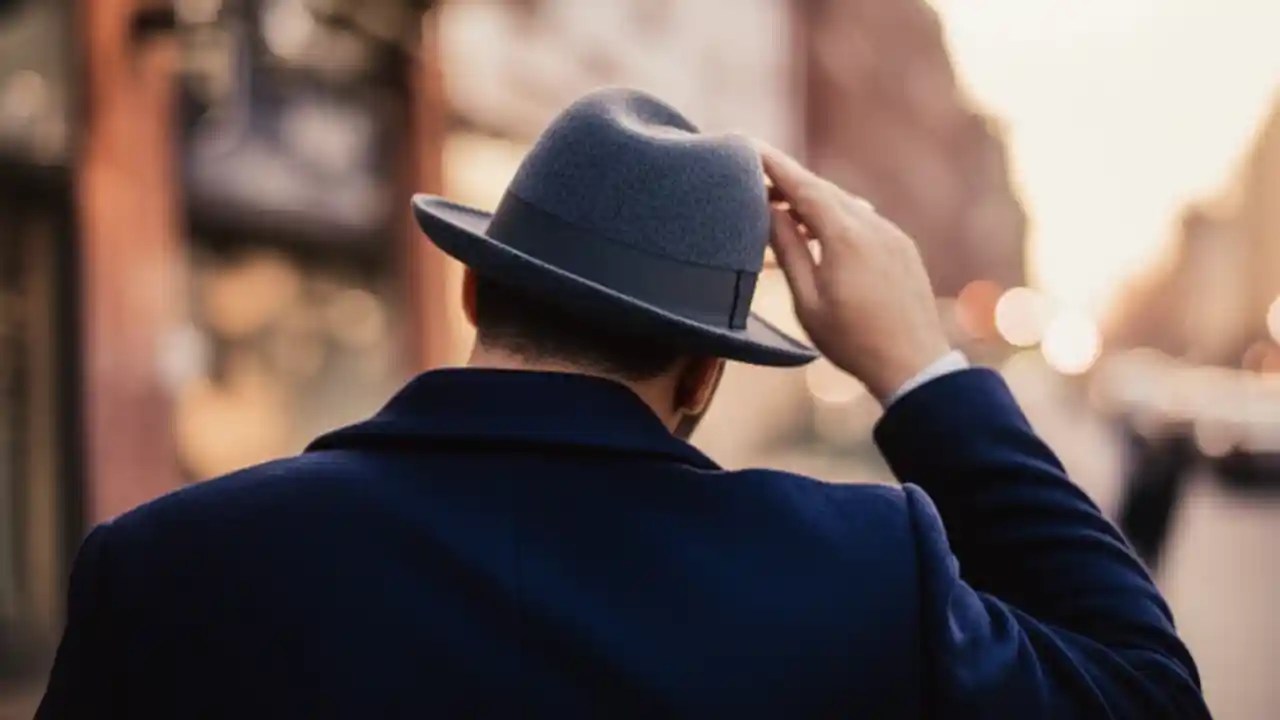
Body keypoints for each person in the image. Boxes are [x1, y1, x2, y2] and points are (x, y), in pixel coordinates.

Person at [37, 89, 1208, 718]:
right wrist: (922, 373)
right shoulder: (855, 577)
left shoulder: (164, 568)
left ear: (471, 286)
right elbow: (1149, 695)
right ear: (705, 375)